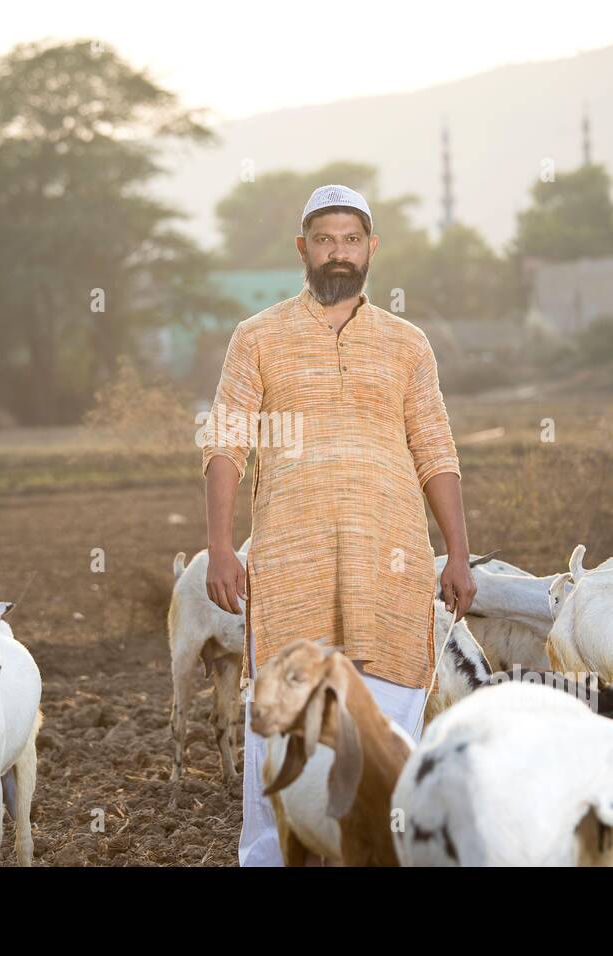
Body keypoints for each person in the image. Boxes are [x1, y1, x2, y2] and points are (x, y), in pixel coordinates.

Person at [200, 184, 478, 866]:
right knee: (281, 725)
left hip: (391, 567)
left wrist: (459, 554)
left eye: (350, 239)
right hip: (292, 566)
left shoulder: (407, 344)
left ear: (371, 249)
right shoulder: (257, 338)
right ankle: (269, 857)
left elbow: (435, 449)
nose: (338, 253)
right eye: (324, 239)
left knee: (388, 732)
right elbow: (226, 443)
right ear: (302, 248)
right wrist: (218, 547)